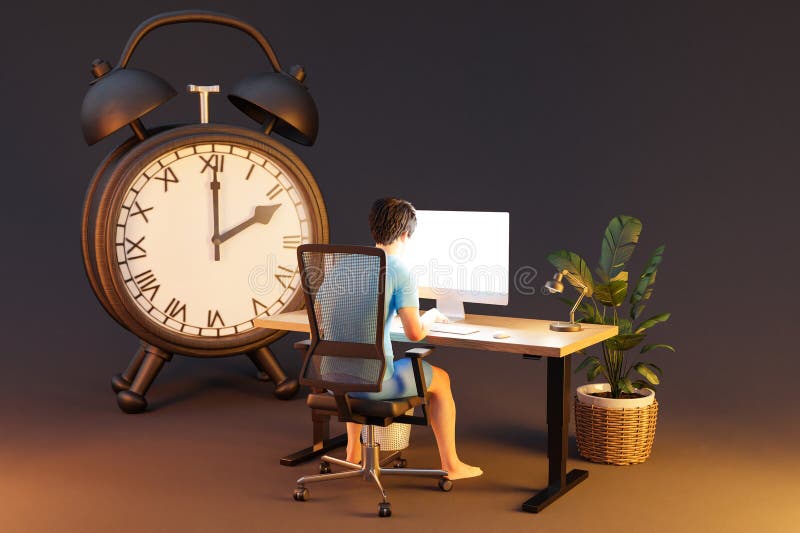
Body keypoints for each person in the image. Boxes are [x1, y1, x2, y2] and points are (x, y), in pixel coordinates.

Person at [345, 197, 482, 481]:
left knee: (356, 365)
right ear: (406, 234)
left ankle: (352, 454)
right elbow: (415, 333)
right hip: (374, 383)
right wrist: (431, 314)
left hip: (334, 375)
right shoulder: (400, 271)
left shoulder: (346, 264)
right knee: (441, 380)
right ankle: (452, 465)